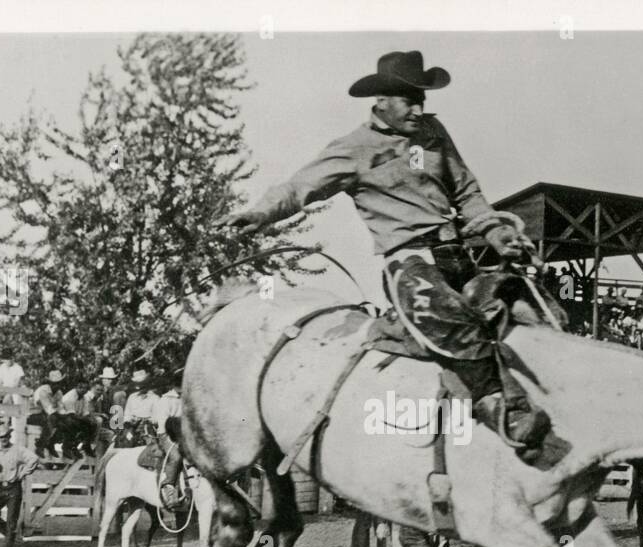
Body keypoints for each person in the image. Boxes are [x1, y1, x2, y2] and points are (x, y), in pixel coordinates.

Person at [222, 49, 551, 460]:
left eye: (422, 101)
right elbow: (299, 187)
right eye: (409, 101)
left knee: (530, 305)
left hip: (459, 254)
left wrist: (499, 232)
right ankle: (500, 408)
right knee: (451, 320)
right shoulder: (352, 149)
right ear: (380, 102)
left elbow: (467, 193)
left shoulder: (434, 133)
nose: (419, 109)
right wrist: (261, 211)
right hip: (411, 265)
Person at [0, 422, 39, 547]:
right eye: (0, 437)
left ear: (9, 436)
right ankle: (12, 537)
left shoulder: (18, 450)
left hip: (13, 487)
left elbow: (34, 458)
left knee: (11, 520)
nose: (3, 439)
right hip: (0, 487)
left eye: (5, 436)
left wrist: (23, 473)